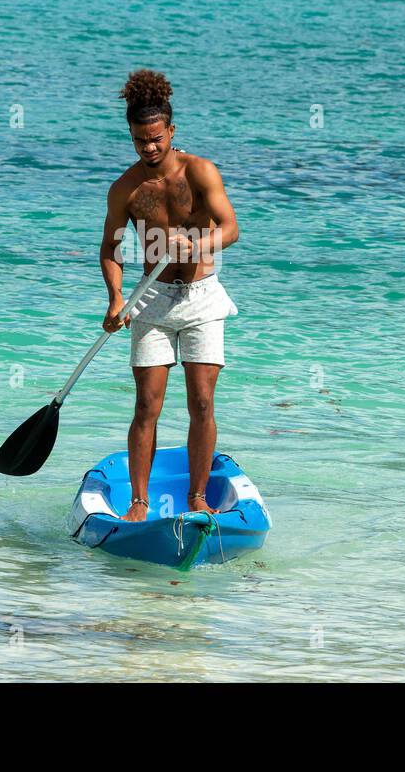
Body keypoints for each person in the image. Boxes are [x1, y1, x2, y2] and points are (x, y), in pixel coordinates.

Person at [99, 70, 240, 523]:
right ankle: (139, 504)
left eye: (157, 138)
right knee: (146, 404)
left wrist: (196, 246)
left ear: (171, 131)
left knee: (201, 401)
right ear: (132, 137)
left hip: (201, 295)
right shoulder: (126, 189)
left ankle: (198, 498)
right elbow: (111, 249)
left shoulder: (200, 171)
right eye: (141, 141)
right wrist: (115, 298)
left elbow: (231, 229)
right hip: (151, 297)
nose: (150, 148)